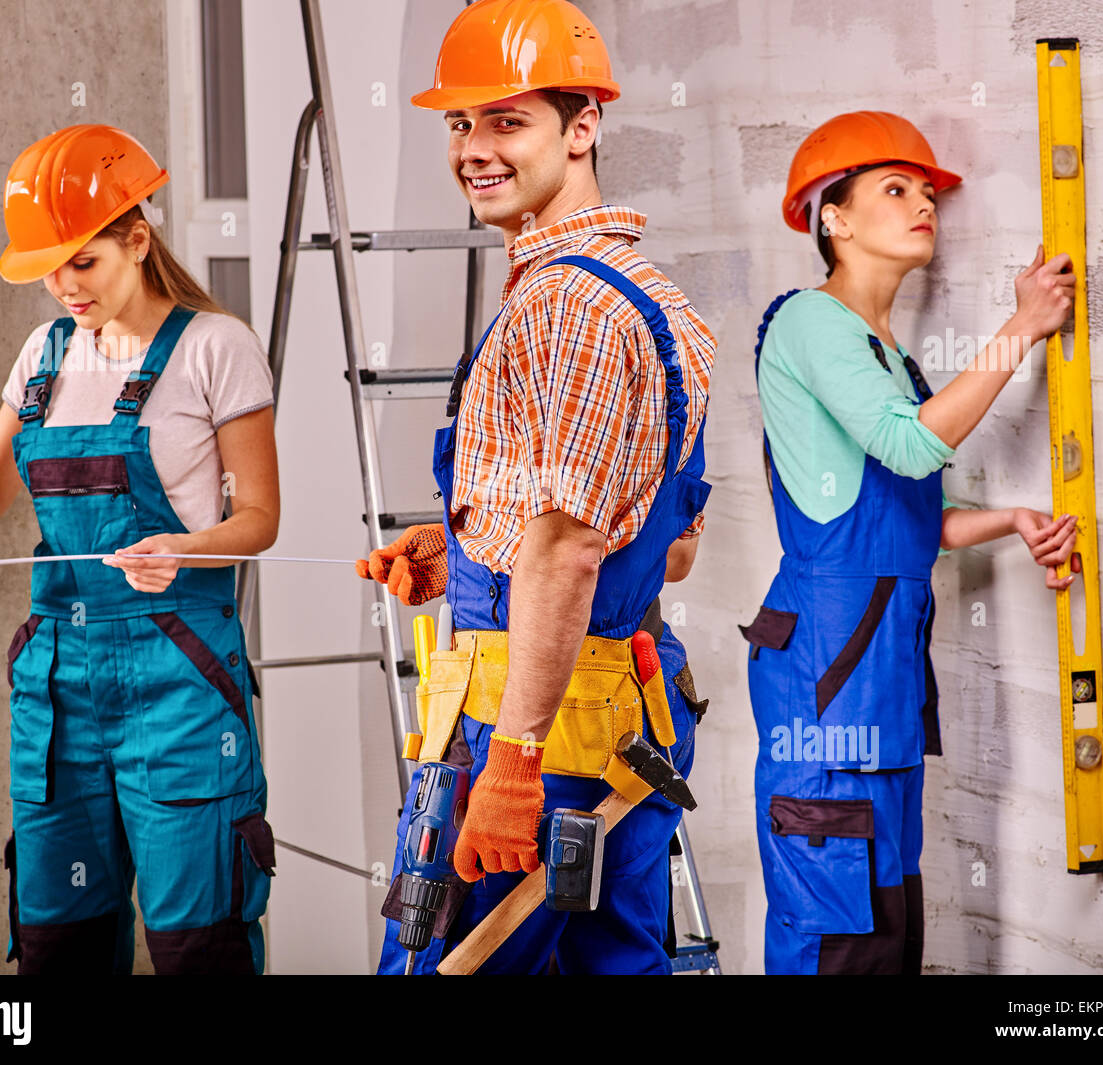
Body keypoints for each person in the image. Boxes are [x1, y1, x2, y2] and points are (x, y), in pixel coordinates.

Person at [356, 0, 716, 974]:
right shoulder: (650, 294)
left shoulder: (561, 309)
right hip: (622, 720)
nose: (474, 148)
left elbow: (567, 547)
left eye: (506, 121)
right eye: (459, 124)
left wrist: (509, 763)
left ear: (582, 125)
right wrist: (472, 540)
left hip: (532, 734)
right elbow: (663, 538)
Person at [0, 124, 280, 974]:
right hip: (59, 686)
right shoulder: (43, 355)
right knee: (57, 942)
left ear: (136, 239)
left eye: (84, 262)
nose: (64, 287)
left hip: (180, 679)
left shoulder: (216, 347)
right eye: (49, 268)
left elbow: (258, 518)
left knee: (198, 943)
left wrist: (183, 547)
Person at [742, 110, 1080, 974]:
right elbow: (912, 445)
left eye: (927, 190)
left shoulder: (888, 356)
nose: (922, 201)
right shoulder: (811, 324)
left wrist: (1011, 521)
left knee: (888, 930)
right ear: (834, 217)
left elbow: (904, 520)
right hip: (829, 677)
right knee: (837, 933)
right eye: (894, 188)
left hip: (877, 682)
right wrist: (1024, 326)